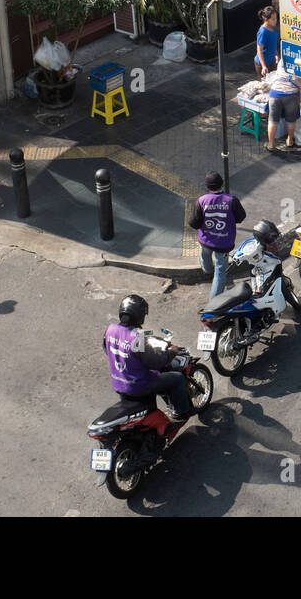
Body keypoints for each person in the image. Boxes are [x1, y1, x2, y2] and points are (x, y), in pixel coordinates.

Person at [104, 294, 192, 423]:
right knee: (177, 378)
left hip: (119, 383)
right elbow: (156, 363)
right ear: (139, 315)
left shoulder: (110, 330)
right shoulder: (136, 338)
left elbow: (107, 350)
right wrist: (171, 352)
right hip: (139, 385)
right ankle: (181, 413)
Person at [188, 171, 246, 300]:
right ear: (222, 184)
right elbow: (241, 217)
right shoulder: (231, 200)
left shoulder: (201, 201)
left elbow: (194, 223)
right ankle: (213, 304)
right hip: (224, 244)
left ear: (207, 187)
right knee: (220, 272)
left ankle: (207, 271)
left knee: (205, 255)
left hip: (206, 240)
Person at [264, 62, 301, 153]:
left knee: (272, 120)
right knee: (291, 119)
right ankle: (289, 140)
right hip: (291, 94)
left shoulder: (283, 60)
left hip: (275, 93)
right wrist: (300, 101)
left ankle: (271, 144)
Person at [255, 5, 279, 77]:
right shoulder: (263, 32)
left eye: (276, 18)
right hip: (263, 65)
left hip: (272, 62)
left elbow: (273, 44)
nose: (276, 21)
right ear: (266, 19)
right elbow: (259, 50)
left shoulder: (273, 27)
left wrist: (276, 54)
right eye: (273, 19)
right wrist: (263, 66)